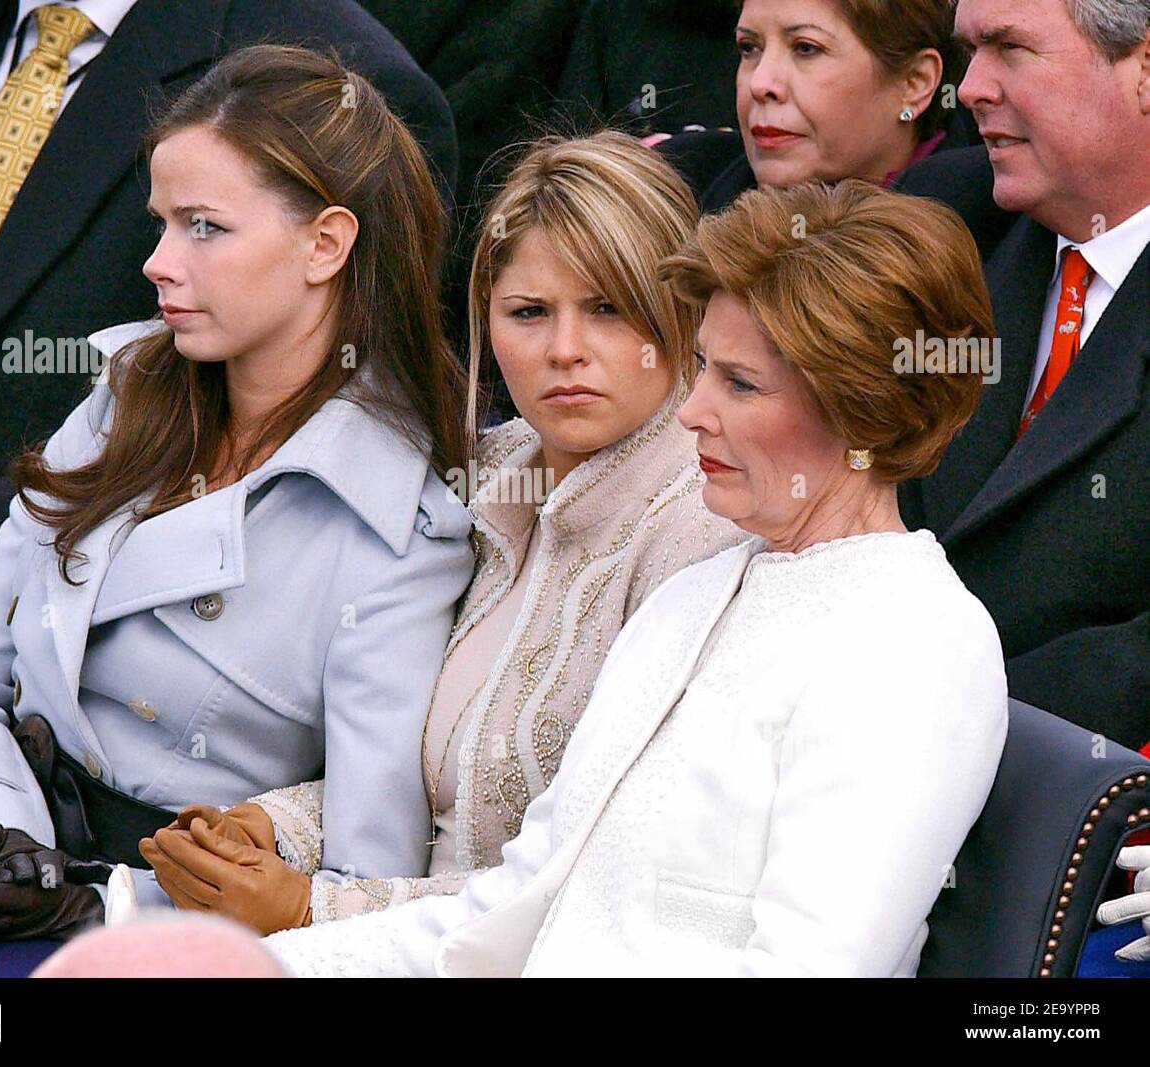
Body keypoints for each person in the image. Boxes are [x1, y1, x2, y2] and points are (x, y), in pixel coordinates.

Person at [228, 180, 1007, 977]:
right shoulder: (694, 597)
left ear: (862, 409)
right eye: (702, 366)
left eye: (740, 383)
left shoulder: (917, 640)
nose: (693, 409)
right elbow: (514, 910)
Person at [0, 45, 473, 979]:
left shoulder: (396, 528)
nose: (157, 262)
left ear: (326, 244)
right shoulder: (124, 392)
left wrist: (74, 911)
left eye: (204, 228)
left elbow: (359, 881)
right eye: (161, 223)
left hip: (141, 940)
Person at [136, 131, 749, 933]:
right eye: (529, 312)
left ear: (681, 310)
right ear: (486, 319)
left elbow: (593, 870)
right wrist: (268, 828)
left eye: (608, 308)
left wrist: (310, 907)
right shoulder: (487, 473)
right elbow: (429, 778)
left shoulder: (706, 524)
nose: (565, 351)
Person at [895, 0, 1150, 977]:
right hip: (873, 792)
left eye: (1009, 50)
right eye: (967, 51)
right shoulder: (945, 224)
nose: (970, 90)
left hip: (1083, 838)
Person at [656, 0, 973, 215]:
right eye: (749, 48)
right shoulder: (675, 188)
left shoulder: (993, 222)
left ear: (914, 82)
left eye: (806, 48)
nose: (760, 83)